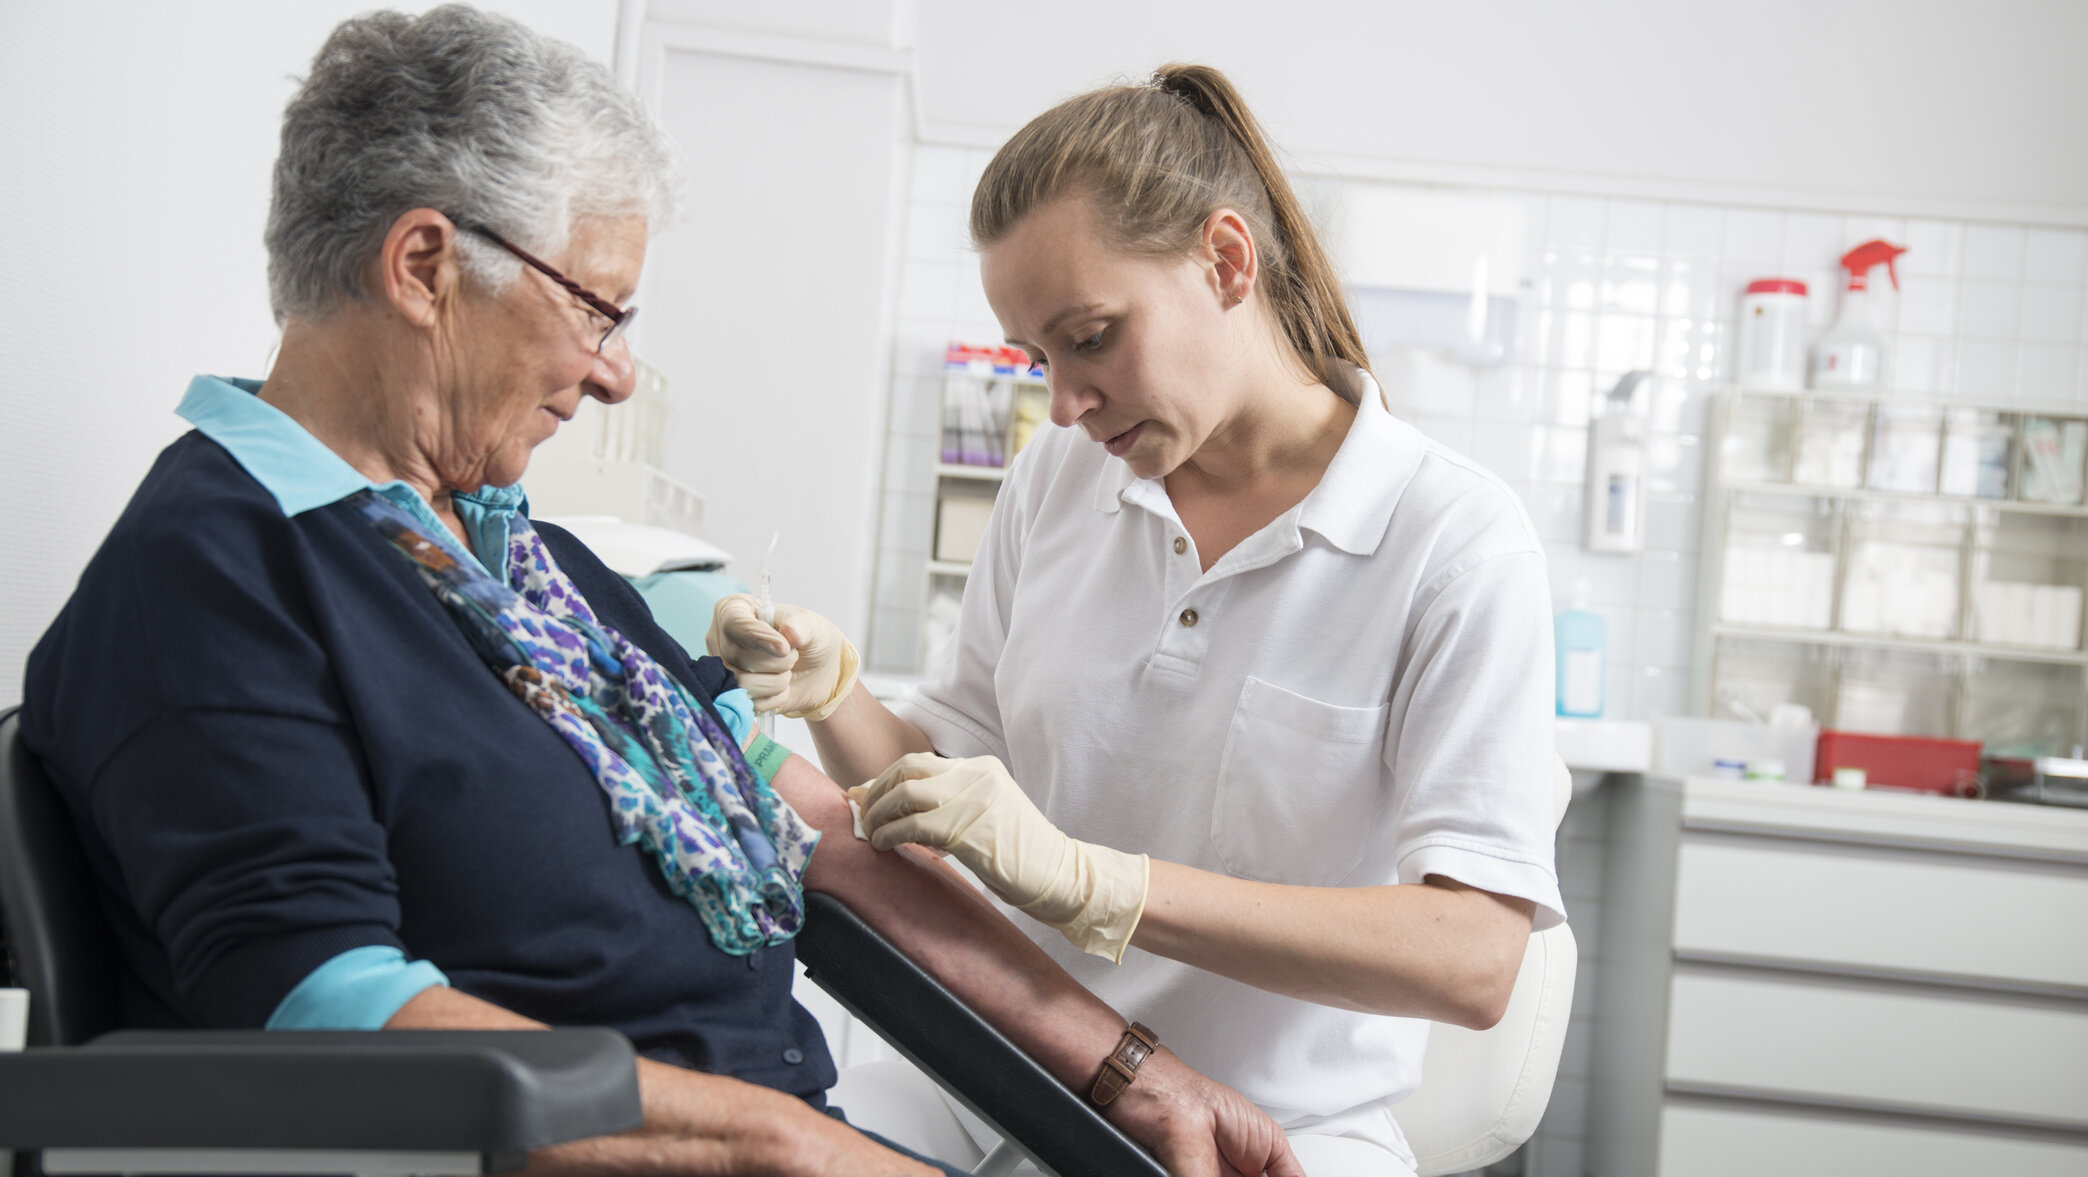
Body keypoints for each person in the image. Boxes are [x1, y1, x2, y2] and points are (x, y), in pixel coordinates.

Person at [18, 13, 1303, 1177]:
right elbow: (328, 1015)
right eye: (598, 309)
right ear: (422, 266)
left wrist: (1138, 1077)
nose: (618, 374)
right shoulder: (213, 576)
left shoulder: (534, 568)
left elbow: (828, 842)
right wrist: (780, 1144)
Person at [708, 64, 1566, 1176]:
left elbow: (1473, 958)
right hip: (992, 1066)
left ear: (1225, 262)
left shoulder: (1451, 542)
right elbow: (935, 790)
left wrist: (1101, 885)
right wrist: (835, 696)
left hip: (1278, 1131)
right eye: (1039, 357)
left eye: (1094, 336)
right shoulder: (1057, 482)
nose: (1064, 400)